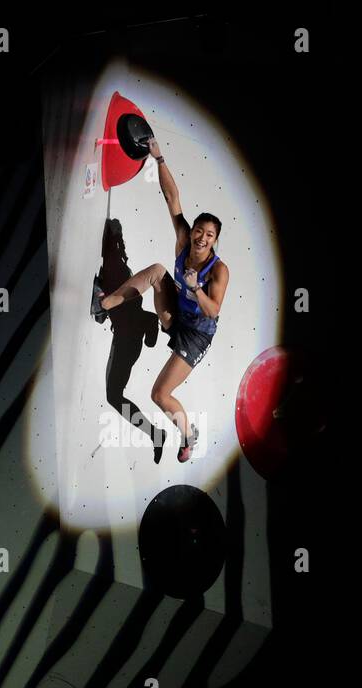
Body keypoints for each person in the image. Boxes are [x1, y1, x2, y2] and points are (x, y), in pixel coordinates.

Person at [91, 137, 230, 462]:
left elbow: (213, 311)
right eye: (199, 230)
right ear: (192, 229)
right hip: (175, 316)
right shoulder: (184, 240)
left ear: (214, 241)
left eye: (209, 235)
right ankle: (103, 305)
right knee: (156, 270)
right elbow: (172, 196)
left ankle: (187, 434)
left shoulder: (218, 271)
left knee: (159, 394)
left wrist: (196, 288)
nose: (201, 237)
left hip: (196, 335)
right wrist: (158, 157)